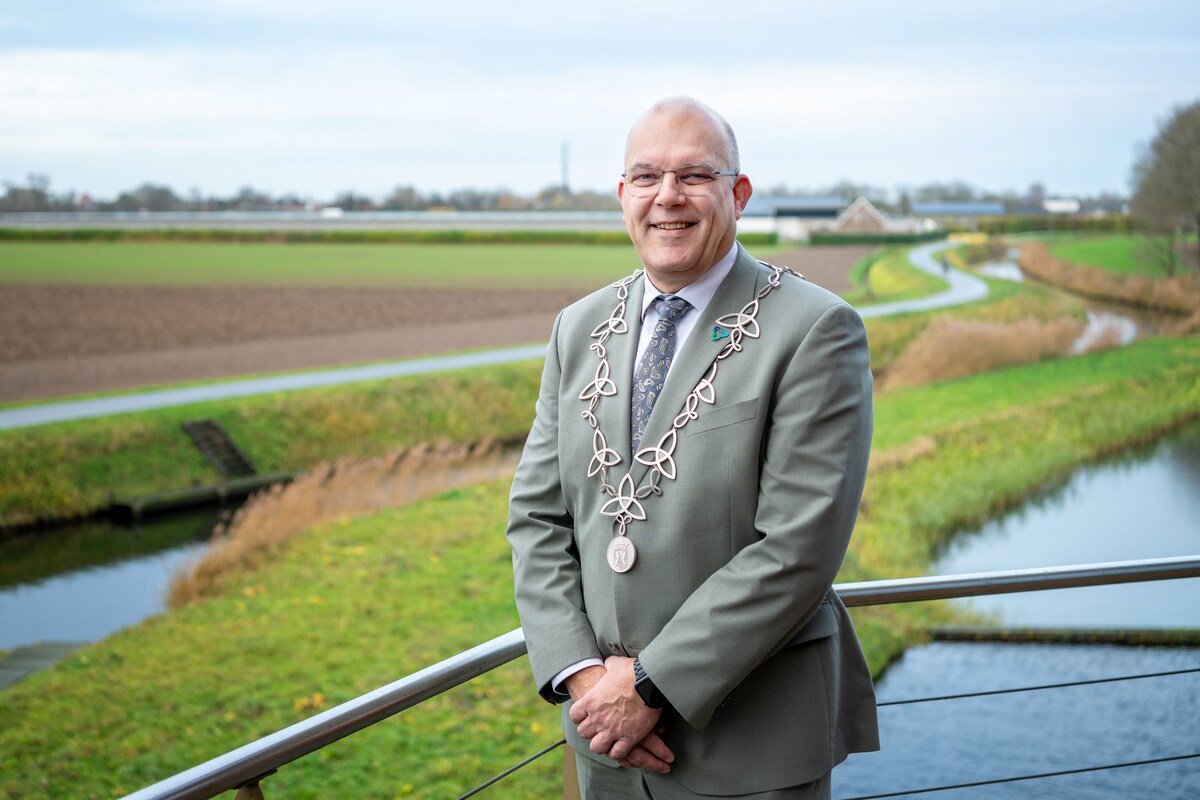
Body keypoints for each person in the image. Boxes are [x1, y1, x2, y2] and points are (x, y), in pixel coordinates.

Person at [507, 96, 878, 800]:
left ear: (737, 193)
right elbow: (536, 518)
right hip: (606, 744)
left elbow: (798, 546)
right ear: (622, 196)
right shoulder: (576, 328)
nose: (666, 198)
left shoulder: (816, 329)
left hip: (752, 747)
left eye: (695, 176)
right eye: (645, 177)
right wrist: (585, 679)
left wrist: (649, 685)